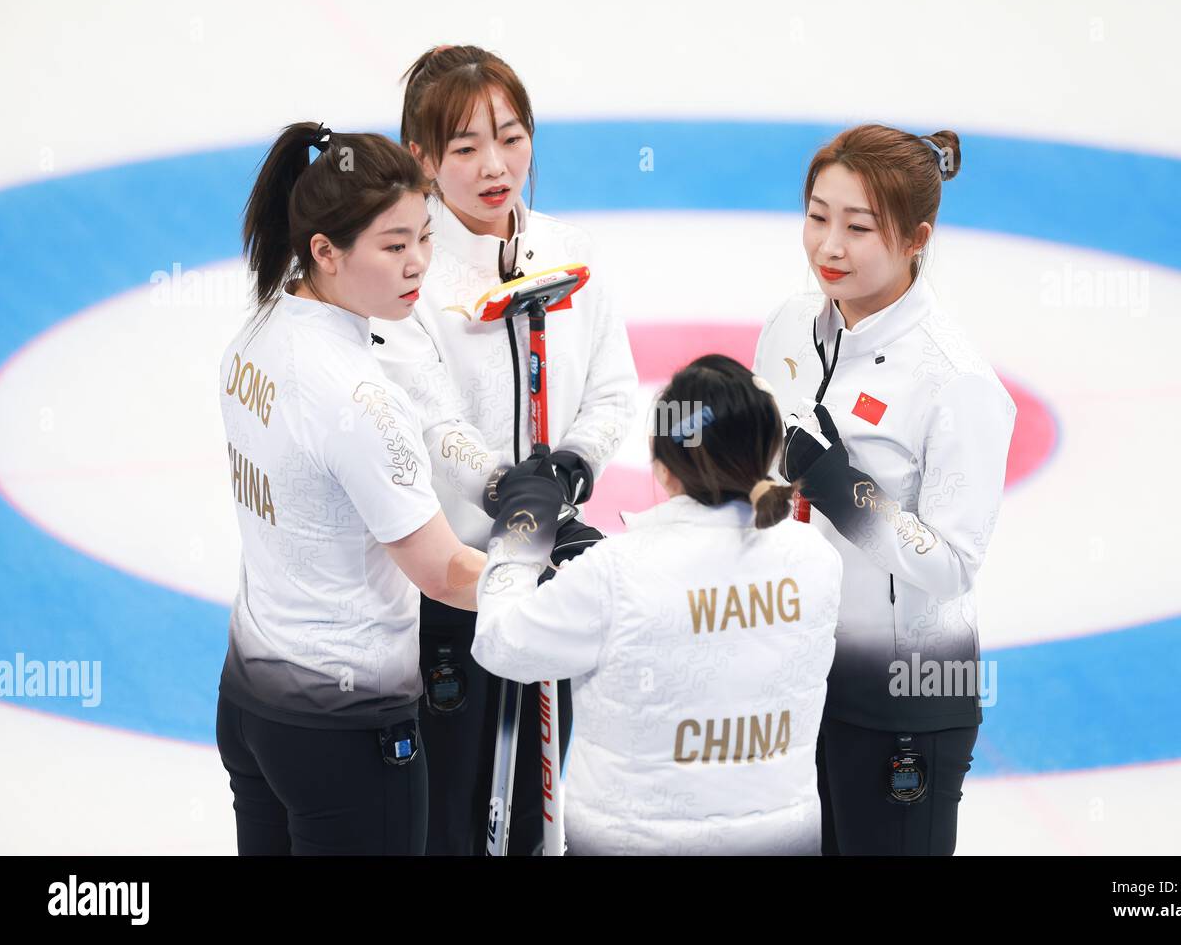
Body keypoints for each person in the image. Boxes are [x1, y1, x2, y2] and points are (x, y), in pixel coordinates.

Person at [368, 44, 639, 855]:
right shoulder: (411, 272)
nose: (495, 166)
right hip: (453, 581)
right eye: (464, 148)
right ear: (421, 158)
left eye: (512, 137)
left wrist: (574, 466)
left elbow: (615, 389)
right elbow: (427, 416)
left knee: (545, 802)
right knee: (450, 805)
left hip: (556, 576)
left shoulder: (568, 252)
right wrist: (504, 490)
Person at [214, 122, 486, 855]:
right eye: (394, 247)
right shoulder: (357, 397)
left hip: (251, 707)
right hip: (346, 733)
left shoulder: (260, 331)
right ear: (325, 252)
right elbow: (442, 571)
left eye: (424, 237)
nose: (418, 264)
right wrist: (547, 576)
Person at [752, 124, 1018, 855]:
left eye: (858, 227)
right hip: (795, 678)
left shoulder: (955, 381)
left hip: (905, 695)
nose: (828, 246)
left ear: (915, 238)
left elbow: (952, 564)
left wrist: (840, 486)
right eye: (817, 216)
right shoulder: (785, 330)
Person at [471, 355, 842, 855]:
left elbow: (501, 643)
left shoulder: (617, 571)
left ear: (663, 465)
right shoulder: (816, 559)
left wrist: (522, 529)